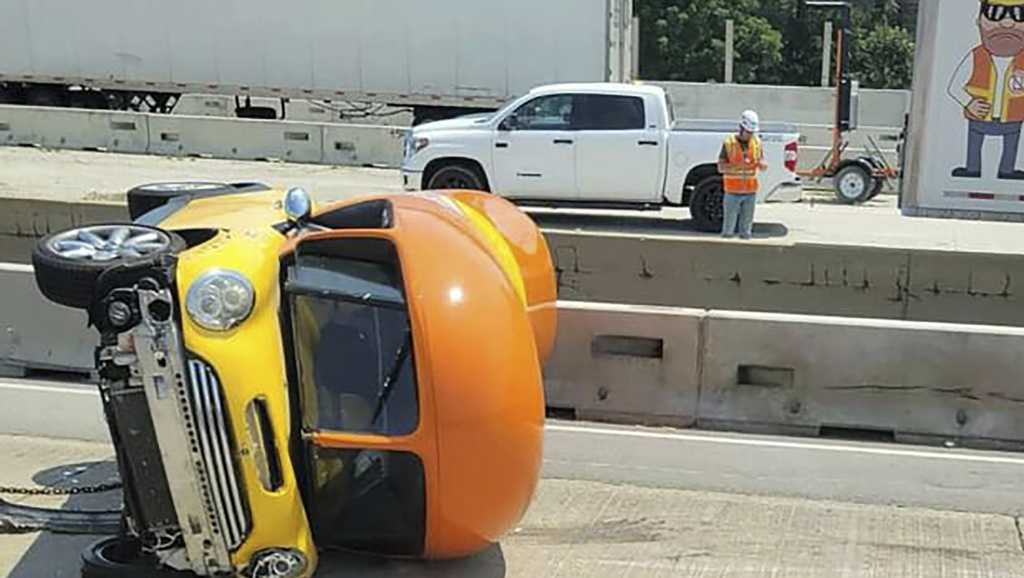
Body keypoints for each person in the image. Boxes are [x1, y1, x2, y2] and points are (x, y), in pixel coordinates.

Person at [948, 0, 1024, 180]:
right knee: (975, 142)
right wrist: (969, 103)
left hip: (1012, 117)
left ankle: (1007, 170)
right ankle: (972, 168)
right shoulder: (975, 56)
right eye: (995, 13)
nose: (1007, 23)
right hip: (979, 115)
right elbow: (954, 86)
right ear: (979, 21)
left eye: (1019, 14)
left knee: (1010, 144)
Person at [718, 110, 768, 239]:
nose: (750, 135)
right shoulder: (729, 144)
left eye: (752, 132)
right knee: (728, 230)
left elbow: (761, 160)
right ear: (741, 128)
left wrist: (762, 164)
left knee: (746, 231)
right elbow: (720, 167)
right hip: (732, 191)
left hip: (750, 191)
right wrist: (737, 166)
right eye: (748, 132)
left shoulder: (757, 143)